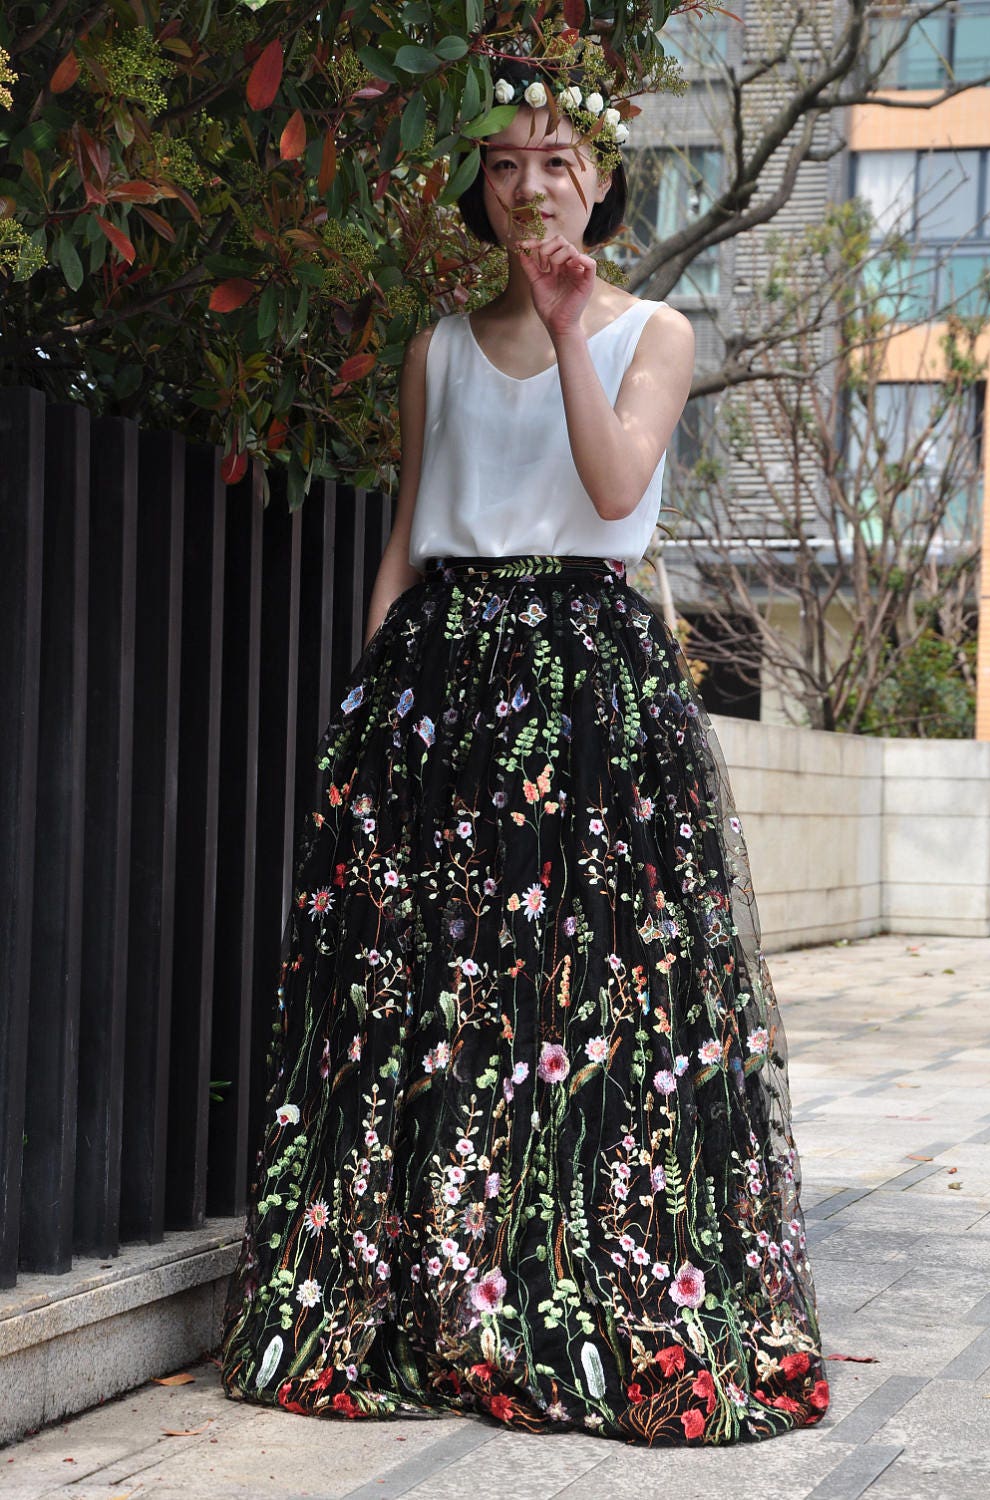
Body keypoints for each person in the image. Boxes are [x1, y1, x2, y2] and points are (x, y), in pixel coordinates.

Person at [218, 53, 831, 1447]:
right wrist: (359, 719)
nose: (530, 184)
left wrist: (564, 330)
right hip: (438, 681)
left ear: (603, 177)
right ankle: (436, 1303)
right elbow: (405, 538)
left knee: (585, 1009)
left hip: (588, 690)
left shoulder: (652, 332)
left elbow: (616, 489)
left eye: (555, 159)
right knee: (436, 1000)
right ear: (476, 185)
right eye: (502, 163)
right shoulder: (436, 346)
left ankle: (568, 1298)